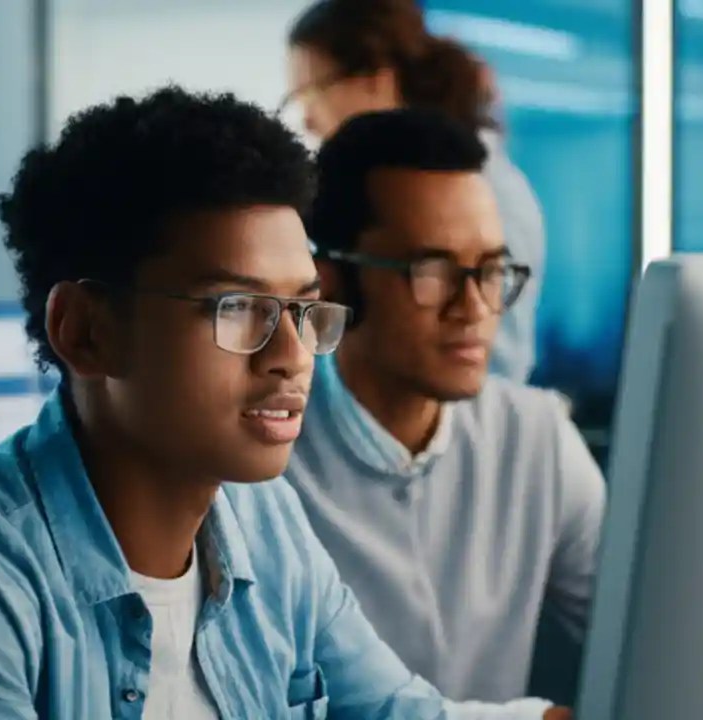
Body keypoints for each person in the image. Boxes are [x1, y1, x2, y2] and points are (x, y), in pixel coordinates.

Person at [0, 88, 568, 719]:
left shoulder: (262, 523)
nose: (291, 354)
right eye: (238, 309)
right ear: (86, 332)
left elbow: (399, 715)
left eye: (303, 310)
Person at [287, 109, 606, 703]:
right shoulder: (266, 456)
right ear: (330, 282)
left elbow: (644, 640)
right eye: (431, 271)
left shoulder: (536, 437)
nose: (474, 306)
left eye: (491, 270)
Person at [284, 0, 544, 382]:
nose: (307, 120)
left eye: (311, 94)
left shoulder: (477, 190)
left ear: (375, 79)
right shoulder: (368, 188)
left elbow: (490, 364)